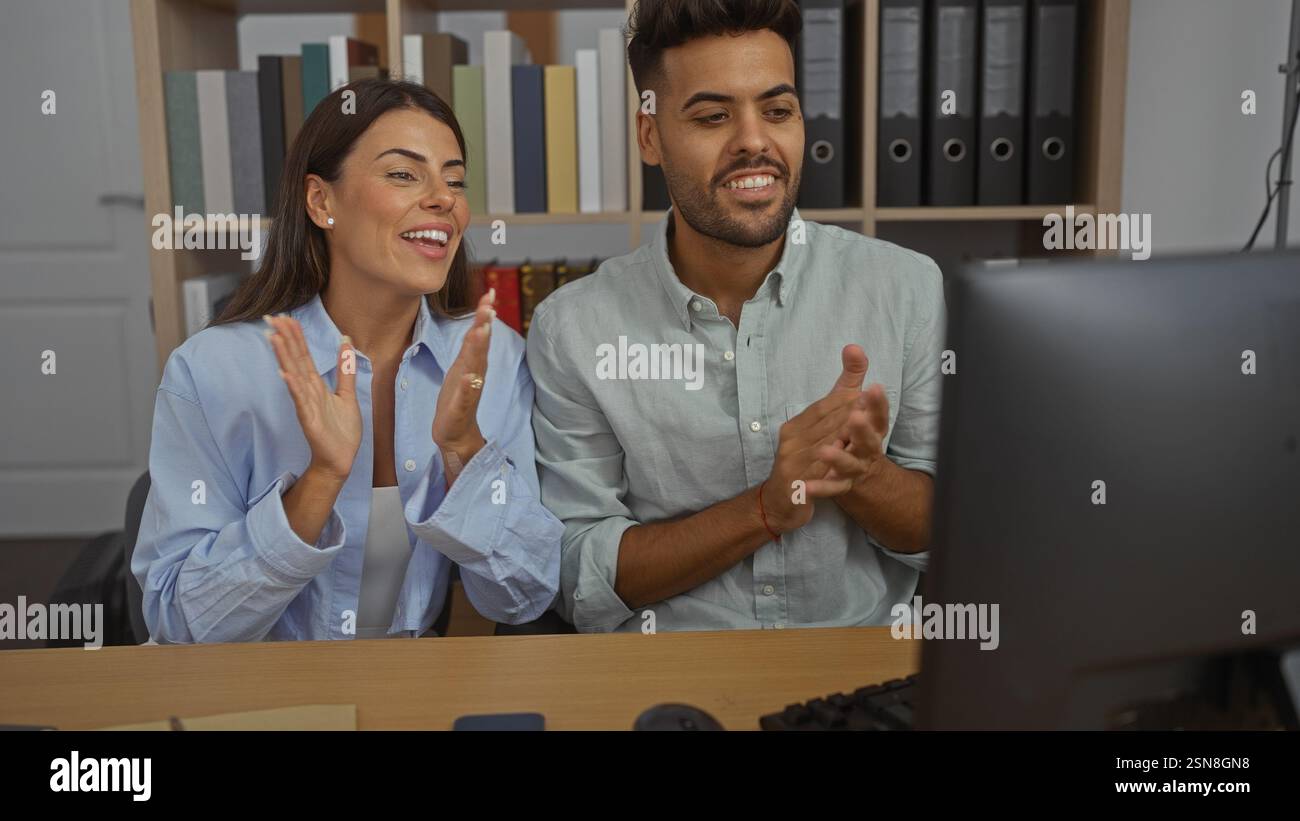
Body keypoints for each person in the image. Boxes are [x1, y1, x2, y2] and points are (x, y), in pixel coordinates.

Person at [528, 0, 945, 632]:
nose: (754, 141)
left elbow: (951, 533)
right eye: (713, 116)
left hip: (860, 684)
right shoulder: (574, 329)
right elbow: (578, 573)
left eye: (778, 110)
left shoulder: (906, 288)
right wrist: (764, 509)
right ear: (650, 136)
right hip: (669, 682)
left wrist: (859, 474)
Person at [133, 79, 561, 643]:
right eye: (404, 174)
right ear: (321, 201)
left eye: (454, 180)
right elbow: (176, 626)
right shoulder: (213, 371)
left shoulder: (492, 358)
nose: (444, 199)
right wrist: (321, 480)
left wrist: (463, 451)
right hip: (261, 701)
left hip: (410, 695)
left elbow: (524, 595)